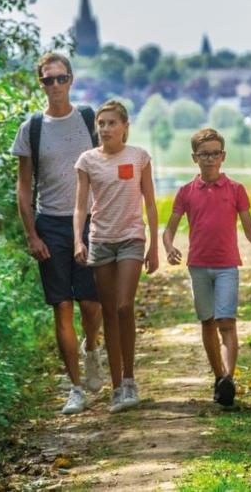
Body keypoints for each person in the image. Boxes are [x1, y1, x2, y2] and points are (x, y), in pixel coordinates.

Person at [11, 52, 104, 415]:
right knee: (62, 306)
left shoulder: (87, 119)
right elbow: (22, 188)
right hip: (50, 223)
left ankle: (92, 346)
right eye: (48, 80)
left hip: (91, 221)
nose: (55, 86)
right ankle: (76, 388)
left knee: (91, 304)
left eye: (60, 78)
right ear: (41, 83)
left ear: (71, 80)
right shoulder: (31, 128)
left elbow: (107, 165)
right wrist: (32, 234)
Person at [162, 127, 251, 408]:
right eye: (204, 155)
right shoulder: (186, 192)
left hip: (227, 266)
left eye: (215, 154)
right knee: (208, 322)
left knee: (227, 321)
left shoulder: (235, 189)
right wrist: (169, 247)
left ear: (223, 156)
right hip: (198, 265)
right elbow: (169, 229)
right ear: (194, 158)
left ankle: (228, 378)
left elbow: (248, 229)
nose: (210, 159)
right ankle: (219, 378)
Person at [73, 100, 159, 413]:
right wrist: (77, 242)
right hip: (100, 241)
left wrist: (154, 246)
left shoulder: (138, 157)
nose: (106, 129)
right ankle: (117, 386)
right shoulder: (87, 161)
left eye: (111, 123)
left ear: (124, 126)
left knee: (124, 306)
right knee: (108, 312)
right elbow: (80, 206)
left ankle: (131, 380)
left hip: (131, 240)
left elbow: (150, 202)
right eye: (101, 123)